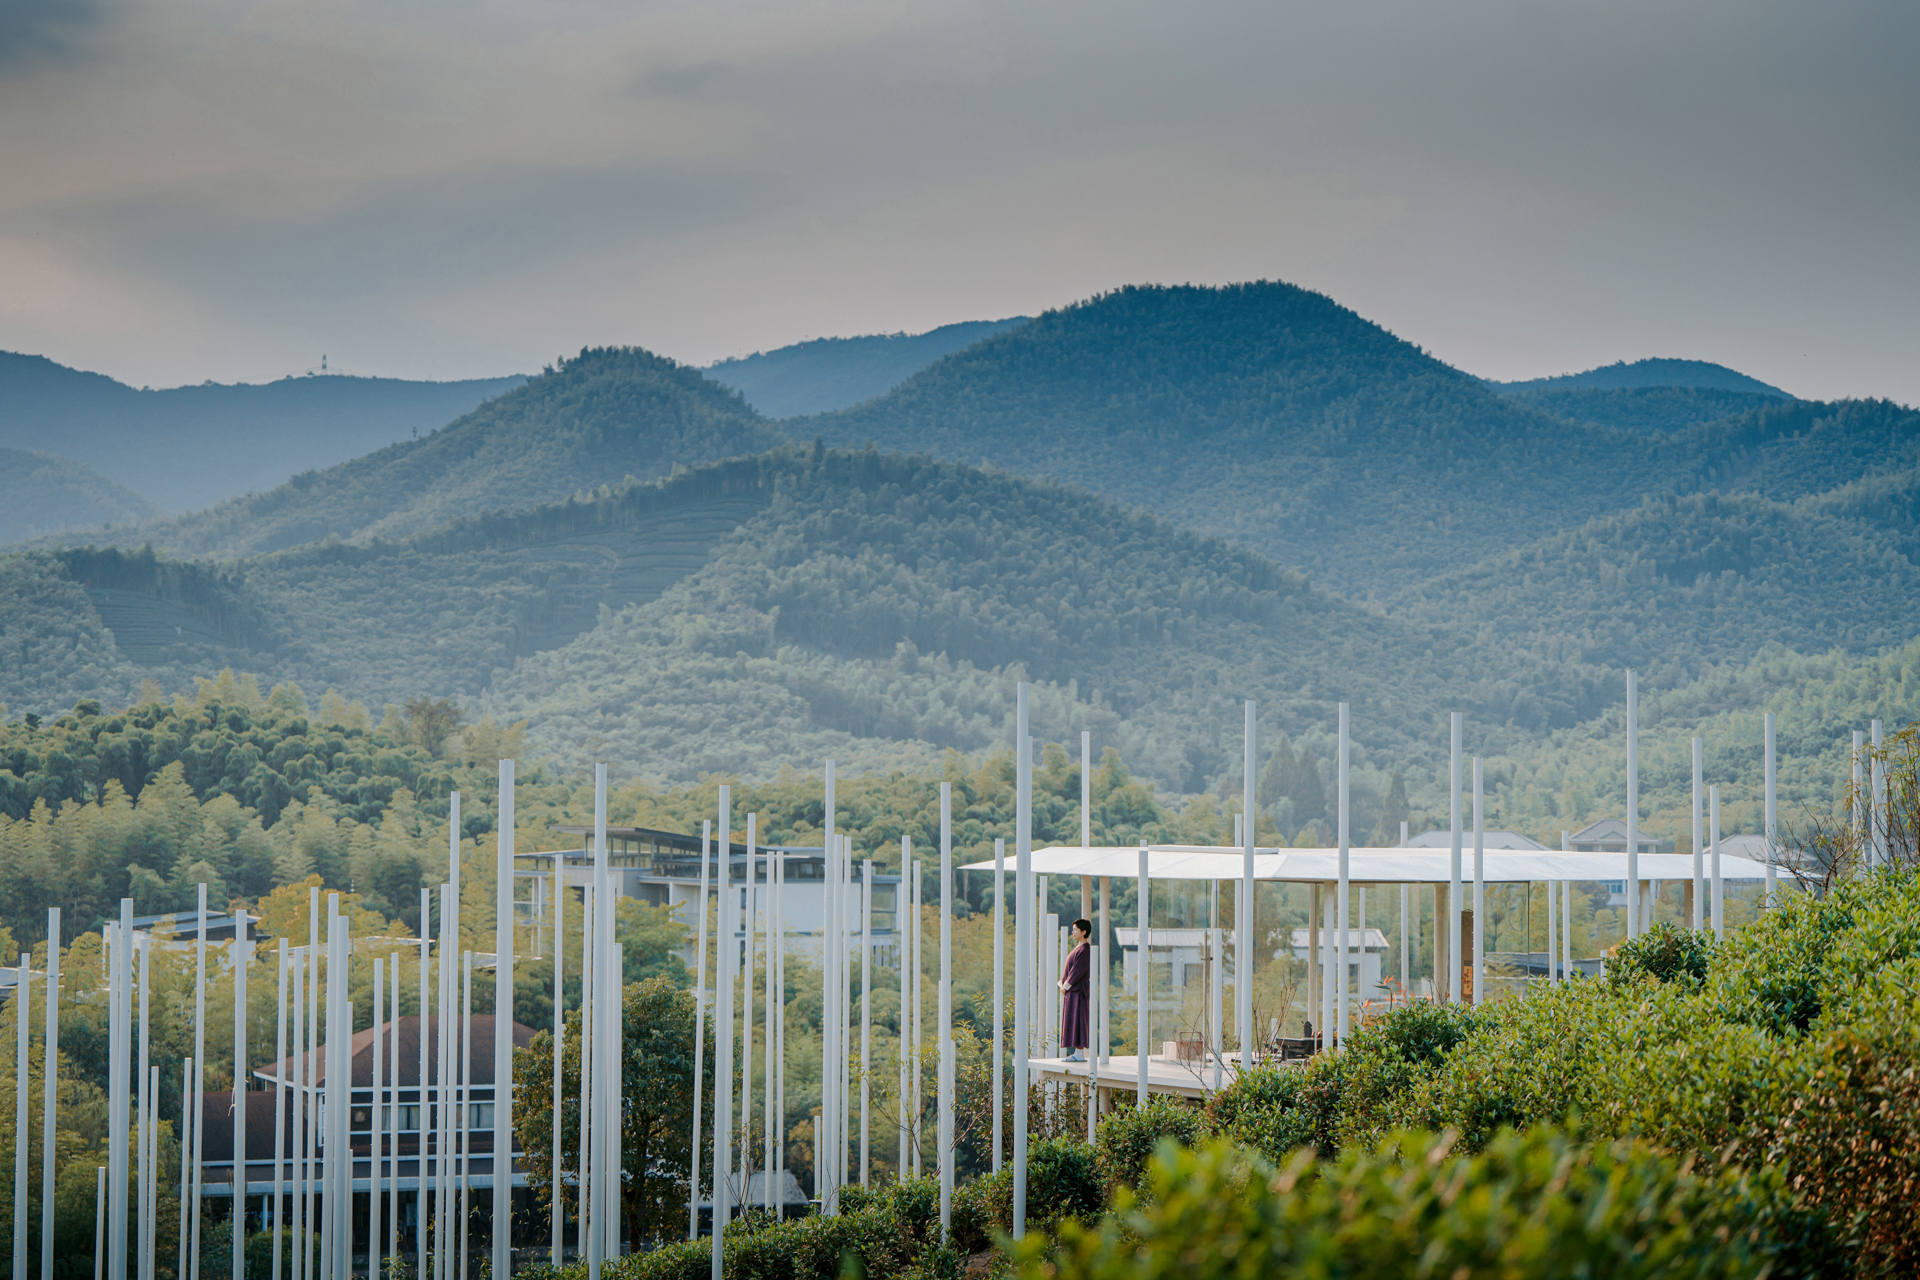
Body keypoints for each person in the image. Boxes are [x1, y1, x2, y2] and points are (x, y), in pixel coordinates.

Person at [1059, 917, 1093, 1062]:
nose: (1073, 932)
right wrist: (1062, 984)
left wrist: (1066, 985)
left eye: (1075, 930)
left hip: (1077, 990)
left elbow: (1077, 971)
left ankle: (1079, 1054)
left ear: (1084, 932)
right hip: (1073, 990)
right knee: (1073, 1019)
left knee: (1078, 1019)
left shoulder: (1085, 949)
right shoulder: (1079, 948)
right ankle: (1076, 1053)